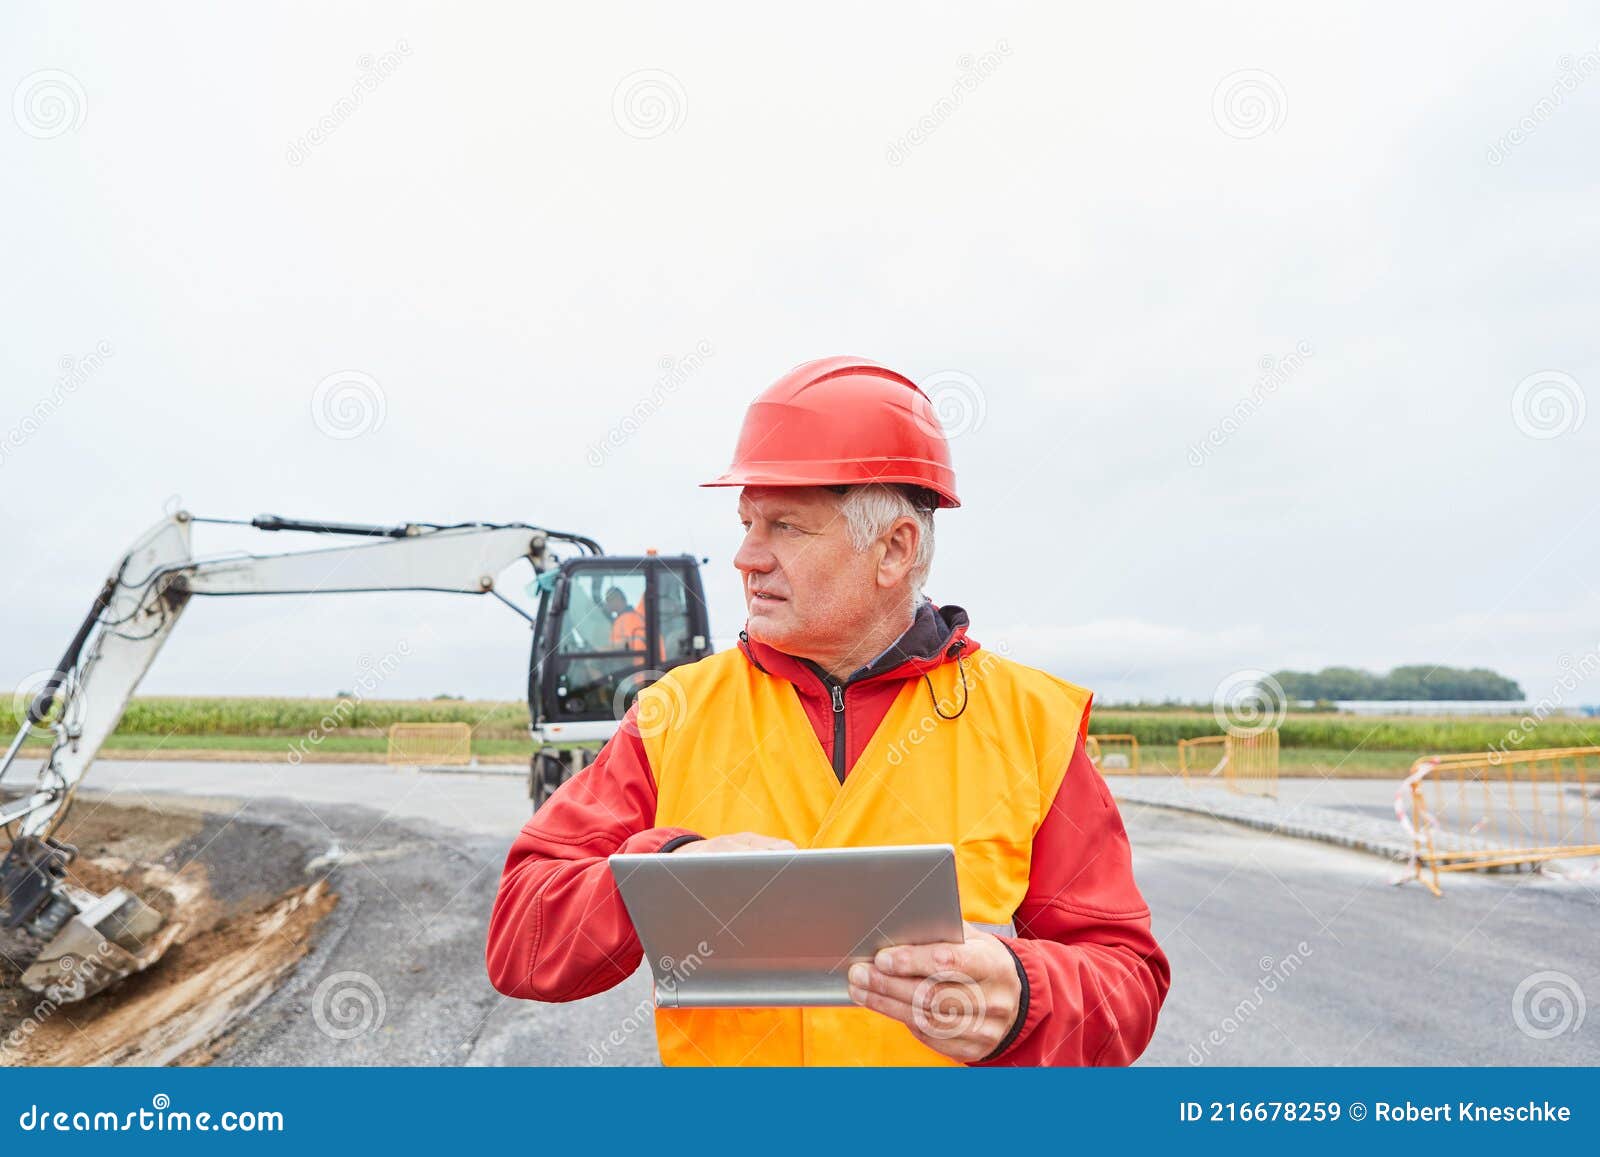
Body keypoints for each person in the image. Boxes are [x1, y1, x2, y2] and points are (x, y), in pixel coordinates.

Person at [487, 356, 1170, 1066]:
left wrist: (1029, 995)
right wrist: (661, 874)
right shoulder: (674, 715)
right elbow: (520, 939)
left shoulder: (1031, 724)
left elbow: (1127, 986)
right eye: (747, 521)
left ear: (894, 549)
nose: (746, 557)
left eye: (785, 525)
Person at [604, 586, 646, 651]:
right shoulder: (622, 618)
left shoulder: (628, 618)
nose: (606, 604)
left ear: (617, 599)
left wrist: (604, 649)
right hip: (625, 659)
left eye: (608, 600)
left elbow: (628, 644)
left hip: (636, 660)